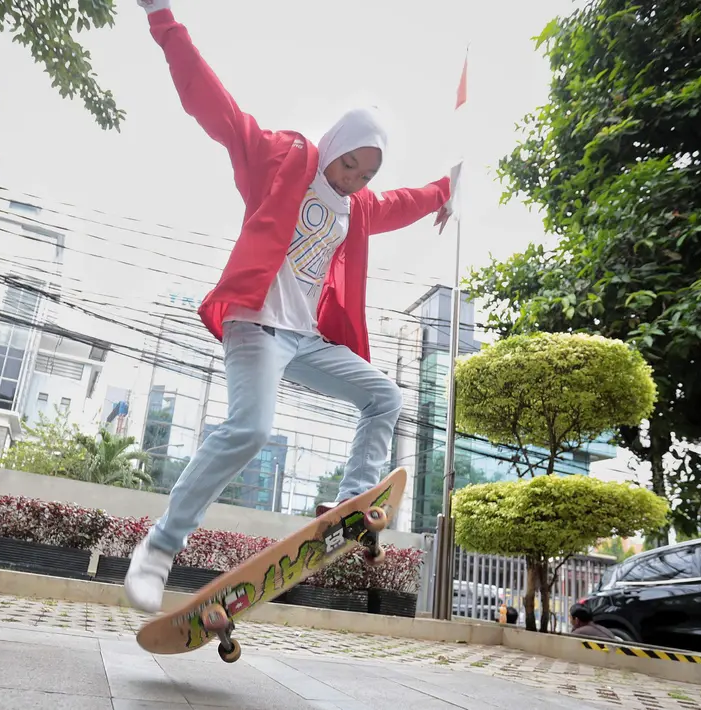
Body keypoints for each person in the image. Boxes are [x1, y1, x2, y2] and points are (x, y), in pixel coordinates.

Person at [124, 0, 454, 614]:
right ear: (333, 145)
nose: (353, 177)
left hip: (305, 342)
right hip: (255, 329)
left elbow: (405, 201)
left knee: (386, 397)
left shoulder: (357, 208)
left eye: (366, 171)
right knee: (250, 429)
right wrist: (164, 19)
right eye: (349, 161)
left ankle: (352, 505)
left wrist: (444, 191)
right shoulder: (279, 161)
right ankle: (158, 550)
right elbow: (213, 105)